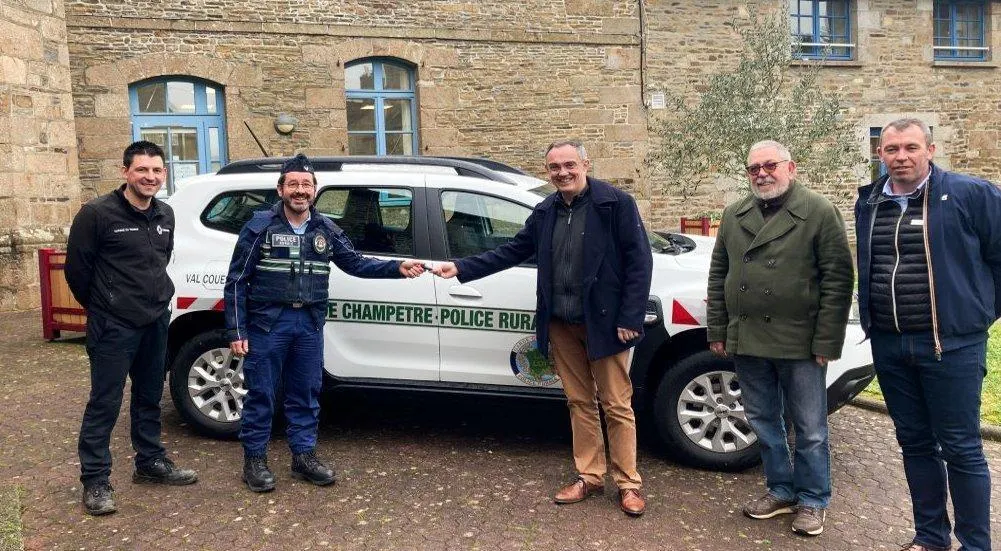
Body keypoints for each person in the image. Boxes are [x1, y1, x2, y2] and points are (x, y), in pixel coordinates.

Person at [432, 140, 653, 516]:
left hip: (605, 324)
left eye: (569, 164)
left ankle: (628, 484)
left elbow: (639, 261)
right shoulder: (546, 210)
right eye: (554, 167)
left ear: (586, 163)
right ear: (547, 172)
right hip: (561, 323)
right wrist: (463, 268)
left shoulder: (616, 204)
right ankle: (590, 476)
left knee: (616, 404)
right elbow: (513, 250)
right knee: (579, 403)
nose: (563, 172)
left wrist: (630, 319)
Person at [224, 153, 425, 493]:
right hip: (268, 324)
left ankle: (303, 456)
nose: (299, 191)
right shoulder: (259, 227)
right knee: (262, 394)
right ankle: (254, 461)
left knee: (306, 393)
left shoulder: (326, 229)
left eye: (306, 185)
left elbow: (356, 263)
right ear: (280, 189)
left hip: (309, 324)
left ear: (314, 190)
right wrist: (237, 331)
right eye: (293, 185)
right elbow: (236, 281)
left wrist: (396, 267)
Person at [856, 119, 999, 551]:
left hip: (951, 344)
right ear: (881, 153)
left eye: (911, 147)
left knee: (961, 448)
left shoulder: (970, 195)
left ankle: (975, 544)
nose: (901, 156)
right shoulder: (870, 202)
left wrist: (978, 314)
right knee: (914, 443)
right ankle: (931, 537)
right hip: (891, 342)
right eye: (892, 148)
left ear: (930, 149)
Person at [707, 140, 854, 537]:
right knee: (764, 423)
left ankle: (813, 500)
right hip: (749, 338)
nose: (761, 174)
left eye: (769, 165)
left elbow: (838, 280)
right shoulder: (734, 214)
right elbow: (719, 274)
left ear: (792, 167)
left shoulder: (819, 212)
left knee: (809, 427)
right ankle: (781, 490)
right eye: (753, 168)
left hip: (800, 340)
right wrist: (718, 329)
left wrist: (827, 340)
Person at [65, 141, 198, 516]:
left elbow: (161, 260)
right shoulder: (97, 214)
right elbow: (78, 272)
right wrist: (105, 307)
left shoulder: (165, 214)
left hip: (155, 320)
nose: (150, 177)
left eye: (156, 171)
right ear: (125, 172)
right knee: (105, 402)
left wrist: (156, 305)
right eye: (142, 170)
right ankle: (95, 479)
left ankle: (150, 463)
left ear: (164, 174)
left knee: (149, 396)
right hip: (113, 326)